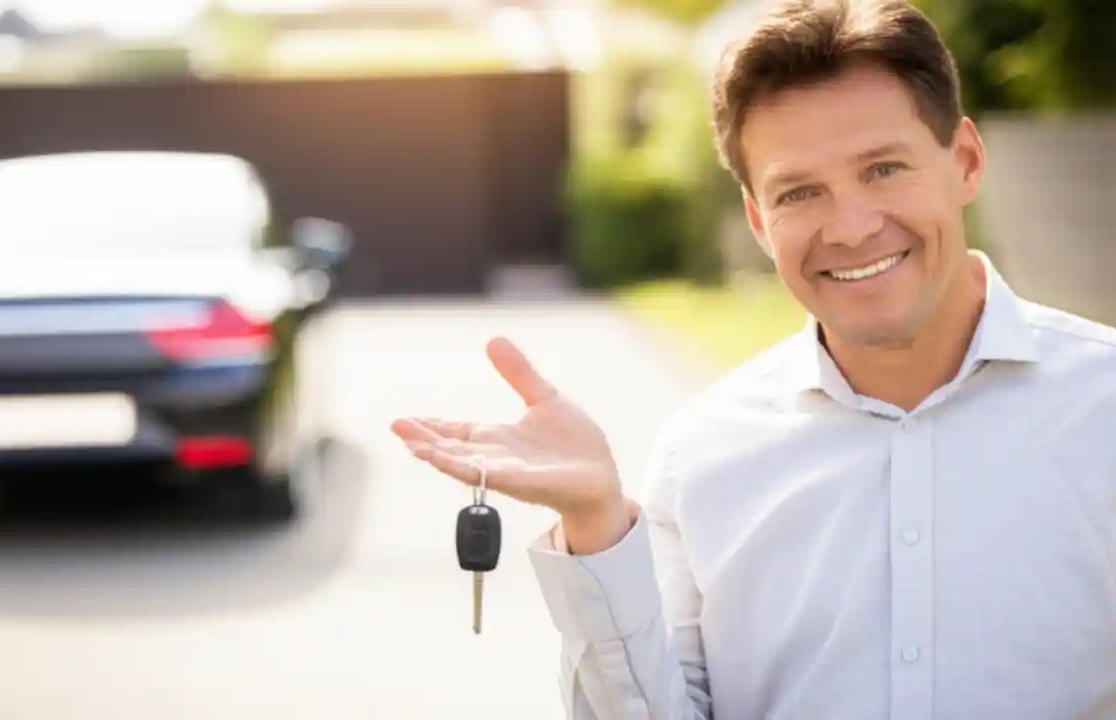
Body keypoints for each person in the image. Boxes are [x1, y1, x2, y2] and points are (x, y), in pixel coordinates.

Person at [391, 0, 1116, 716]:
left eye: (883, 169)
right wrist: (595, 525)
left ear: (965, 162)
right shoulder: (699, 457)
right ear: (759, 220)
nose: (851, 227)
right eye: (799, 192)